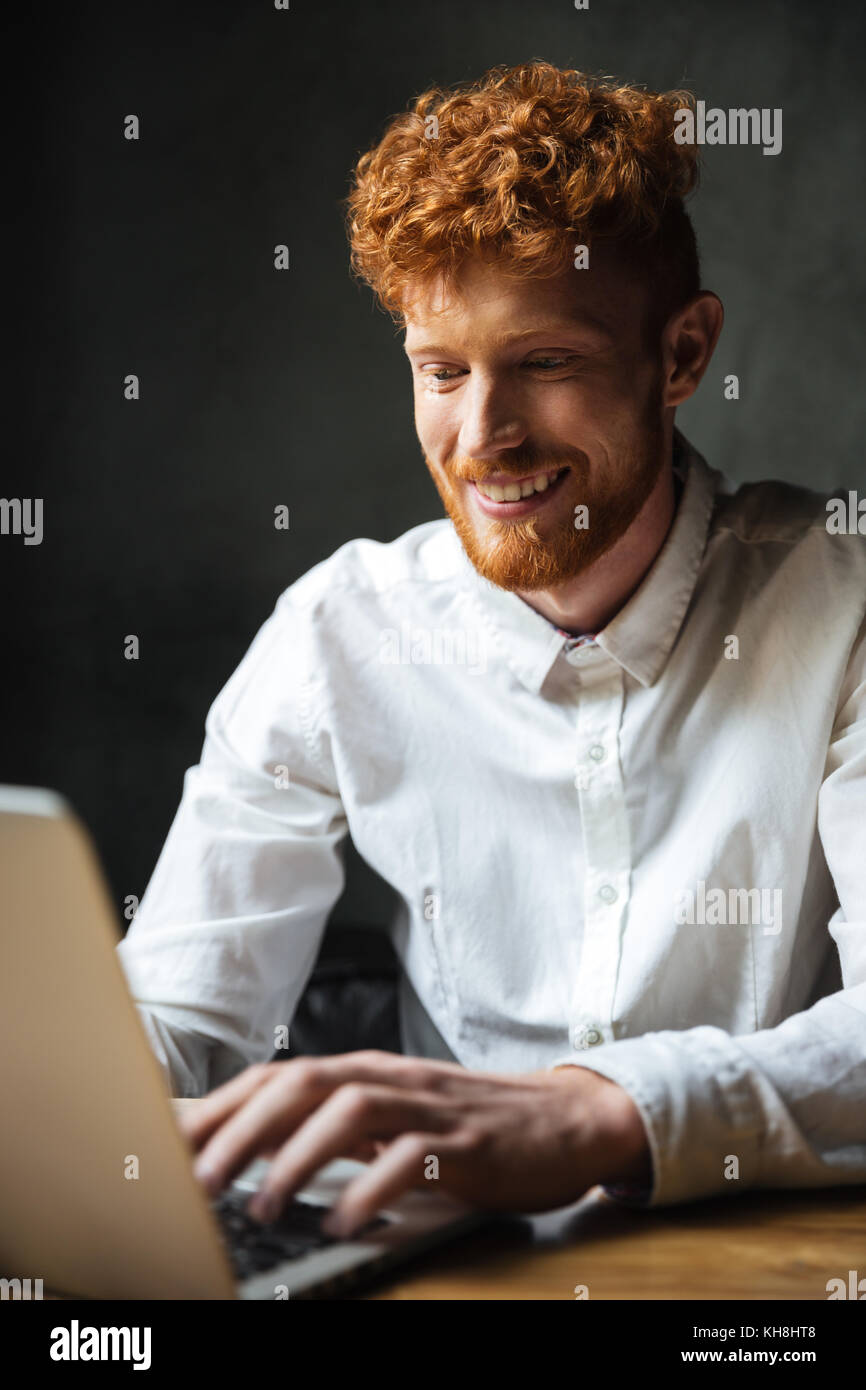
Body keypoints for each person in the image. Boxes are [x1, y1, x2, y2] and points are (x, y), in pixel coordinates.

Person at [117, 61, 866, 1239]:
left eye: (544, 362)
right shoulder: (335, 633)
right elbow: (174, 1027)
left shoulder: (846, 599)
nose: (482, 439)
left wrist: (591, 1114)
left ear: (679, 355)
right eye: (441, 370)